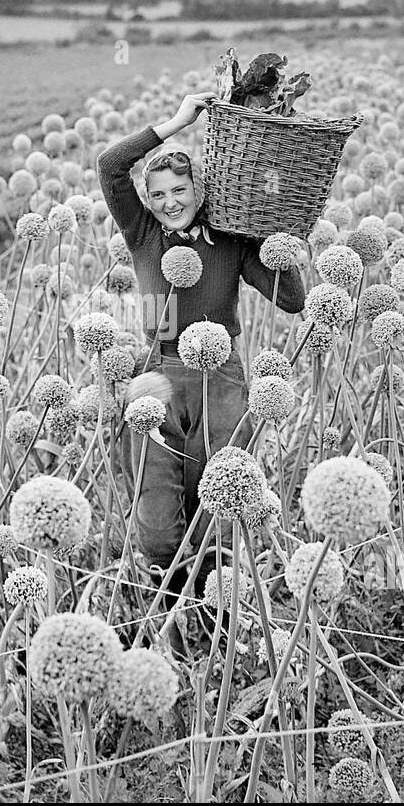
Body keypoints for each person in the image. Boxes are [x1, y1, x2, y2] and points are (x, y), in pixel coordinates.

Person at [96, 89, 306, 604]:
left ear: (200, 190)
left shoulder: (229, 240)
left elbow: (294, 300)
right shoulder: (142, 233)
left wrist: (266, 233)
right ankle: (168, 609)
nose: (171, 202)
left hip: (223, 381)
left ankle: (218, 616)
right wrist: (175, 122)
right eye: (161, 192)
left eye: (181, 190)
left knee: (216, 514)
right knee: (158, 524)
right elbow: (109, 165)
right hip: (158, 377)